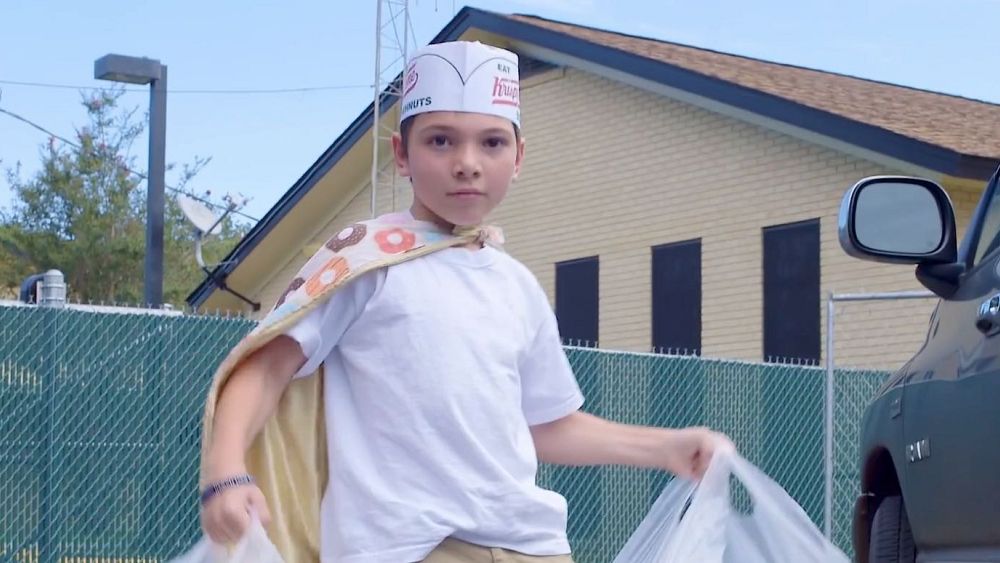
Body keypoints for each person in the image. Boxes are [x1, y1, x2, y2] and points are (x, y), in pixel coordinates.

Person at [196, 40, 732, 563]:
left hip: (532, 544)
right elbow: (263, 370)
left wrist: (664, 449)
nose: (467, 163)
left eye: (492, 143)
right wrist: (226, 471)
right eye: (441, 141)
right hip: (407, 546)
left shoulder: (515, 284)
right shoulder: (363, 261)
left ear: (519, 157)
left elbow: (548, 426)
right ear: (402, 155)